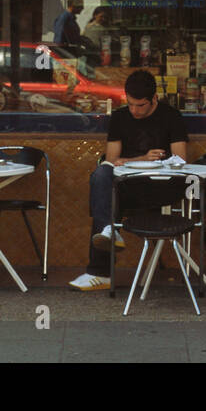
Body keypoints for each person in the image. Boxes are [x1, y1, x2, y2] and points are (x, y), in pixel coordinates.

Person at [68, 69, 188, 291]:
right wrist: (142, 158)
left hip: (162, 187)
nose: (134, 110)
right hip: (128, 186)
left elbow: (181, 160)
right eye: (130, 104)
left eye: (140, 105)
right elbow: (113, 161)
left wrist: (149, 162)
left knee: (105, 199)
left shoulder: (171, 117)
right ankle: (108, 234)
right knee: (102, 178)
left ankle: (100, 270)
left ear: (154, 99)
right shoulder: (120, 117)